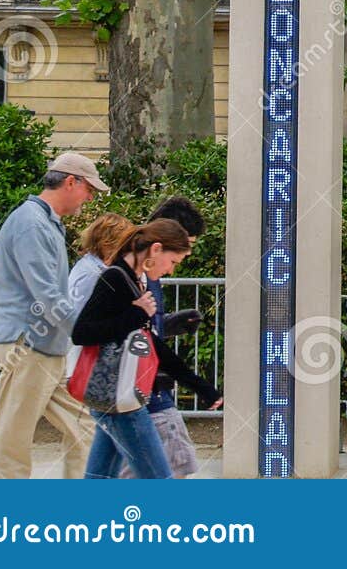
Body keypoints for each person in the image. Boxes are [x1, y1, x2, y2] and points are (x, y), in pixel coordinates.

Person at [0, 152, 107, 479]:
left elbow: (53, 295)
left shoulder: (44, 222)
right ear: (71, 182)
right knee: (11, 443)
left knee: (86, 429)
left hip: (43, 346)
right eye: (89, 189)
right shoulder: (31, 223)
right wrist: (87, 331)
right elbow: (48, 294)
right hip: (27, 345)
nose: (90, 197)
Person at [71, 219, 222, 480]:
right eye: (173, 262)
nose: (172, 271)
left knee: (99, 478)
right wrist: (136, 314)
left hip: (115, 397)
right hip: (120, 399)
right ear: (156, 249)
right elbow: (82, 332)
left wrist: (200, 386)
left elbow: (152, 344)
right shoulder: (116, 278)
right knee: (158, 478)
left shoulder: (130, 279)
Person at [133, 195, 210, 478]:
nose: (179, 263)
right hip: (146, 389)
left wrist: (169, 324)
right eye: (183, 248)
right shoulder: (137, 273)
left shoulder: (143, 269)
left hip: (141, 386)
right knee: (174, 462)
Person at [67, 213, 135, 312]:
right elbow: (82, 318)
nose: (127, 251)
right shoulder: (92, 275)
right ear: (107, 244)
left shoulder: (90, 265)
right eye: (124, 245)